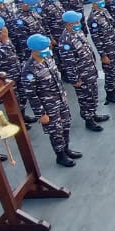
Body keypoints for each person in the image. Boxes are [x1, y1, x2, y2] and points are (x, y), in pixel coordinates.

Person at [21, 34, 78, 168]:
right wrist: (41, 114)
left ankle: (66, 149)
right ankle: (60, 155)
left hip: (60, 100)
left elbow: (57, 79)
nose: (48, 49)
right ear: (35, 50)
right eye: (44, 48)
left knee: (65, 125)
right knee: (55, 131)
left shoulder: (48, 59)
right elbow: (31, 94)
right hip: (47, 106)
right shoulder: (29, 70)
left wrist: (63, 95)